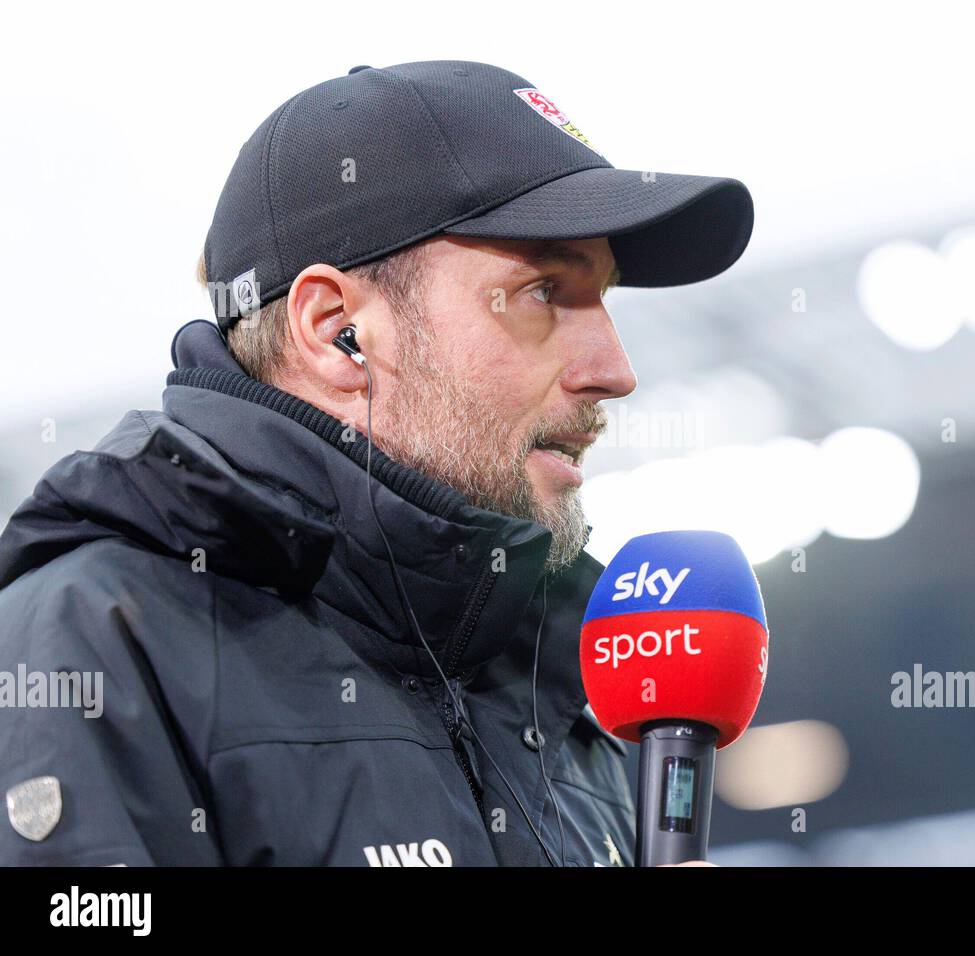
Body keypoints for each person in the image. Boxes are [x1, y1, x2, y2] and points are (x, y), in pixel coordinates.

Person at [0, 60, 752, 865]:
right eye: (544, 292)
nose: (615, 369)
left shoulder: (548, 671)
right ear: (334, 331)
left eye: (603, 297)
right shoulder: (94, 646)